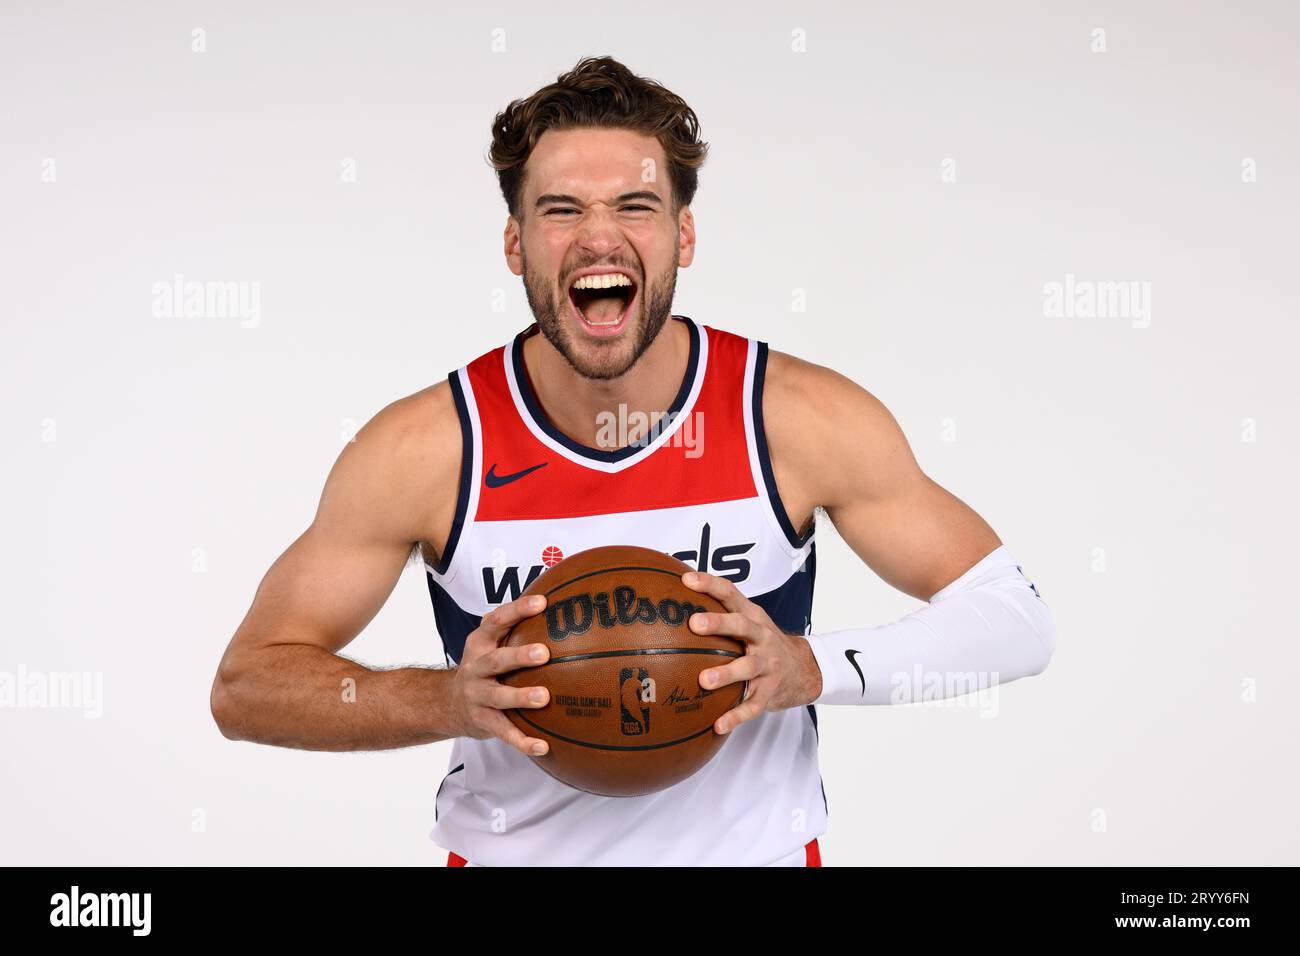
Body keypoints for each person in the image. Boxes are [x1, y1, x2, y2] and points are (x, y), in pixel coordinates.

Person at [210, 55, 1056, 867]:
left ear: (684, 236)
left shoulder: (793, 418)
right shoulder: (428, 448)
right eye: (562, 209)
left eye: (636, 206)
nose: (599, 238)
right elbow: (246, 687)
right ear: (516, 243)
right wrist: (444, 699)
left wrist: (810, 667)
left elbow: (1014, 620)